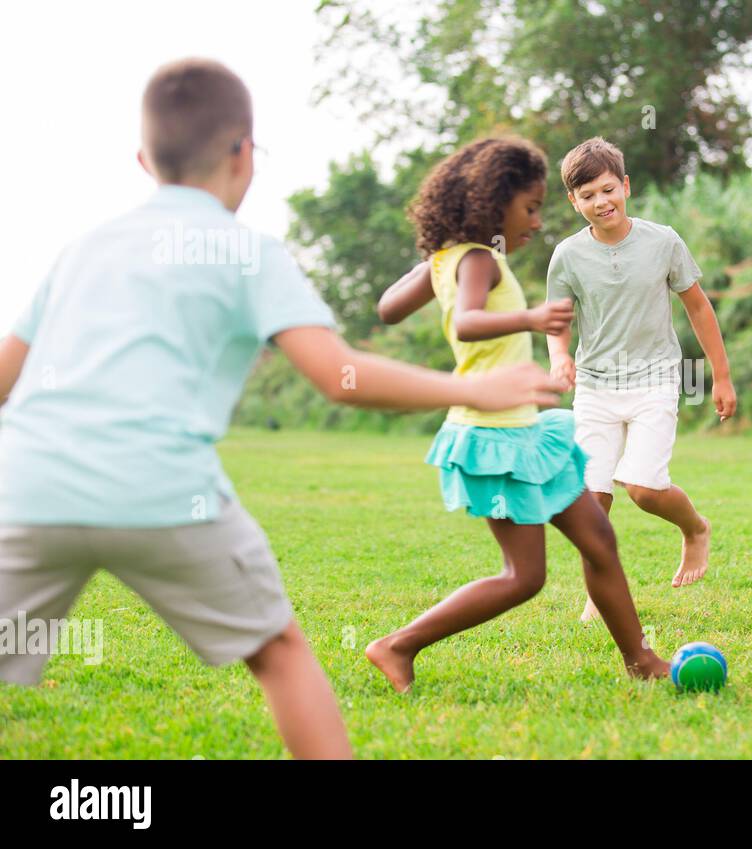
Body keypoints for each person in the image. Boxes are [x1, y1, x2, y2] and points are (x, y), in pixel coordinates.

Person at [0, 59, 563, 759]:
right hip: (163, 490)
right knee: (279, 653)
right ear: (244, 152)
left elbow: (6, 377)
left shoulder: (82, 248)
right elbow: (341, 375)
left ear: (144, 160)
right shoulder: (248, 251)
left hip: (26, 488)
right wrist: (472, 388)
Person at [364, 137, 671, 691]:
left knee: (599, 539)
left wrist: (437, 263)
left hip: (522, 432)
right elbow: (466, 323)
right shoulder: (479, 259)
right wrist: (531, 318)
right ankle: (397, 645)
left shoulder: (453, 258)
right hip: (495, 436)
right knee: (523, 577)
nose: (535, 219)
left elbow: (388, 308)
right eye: (529, 207)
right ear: (491, 202)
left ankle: (641, 660)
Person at [546, 138, 736, 621]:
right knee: (592, 500)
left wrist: (720, 376)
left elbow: (698, 306)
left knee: (644, 488)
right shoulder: (567, 256)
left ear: (625, 186)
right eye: (587, 195)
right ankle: (600, 592)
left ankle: (694, 529)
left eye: (608, 189)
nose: (600, 202)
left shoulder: (663, 241)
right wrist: (558, 358)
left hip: (654, 379)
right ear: (574, 201)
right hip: (594, 386)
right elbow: (558, 320)